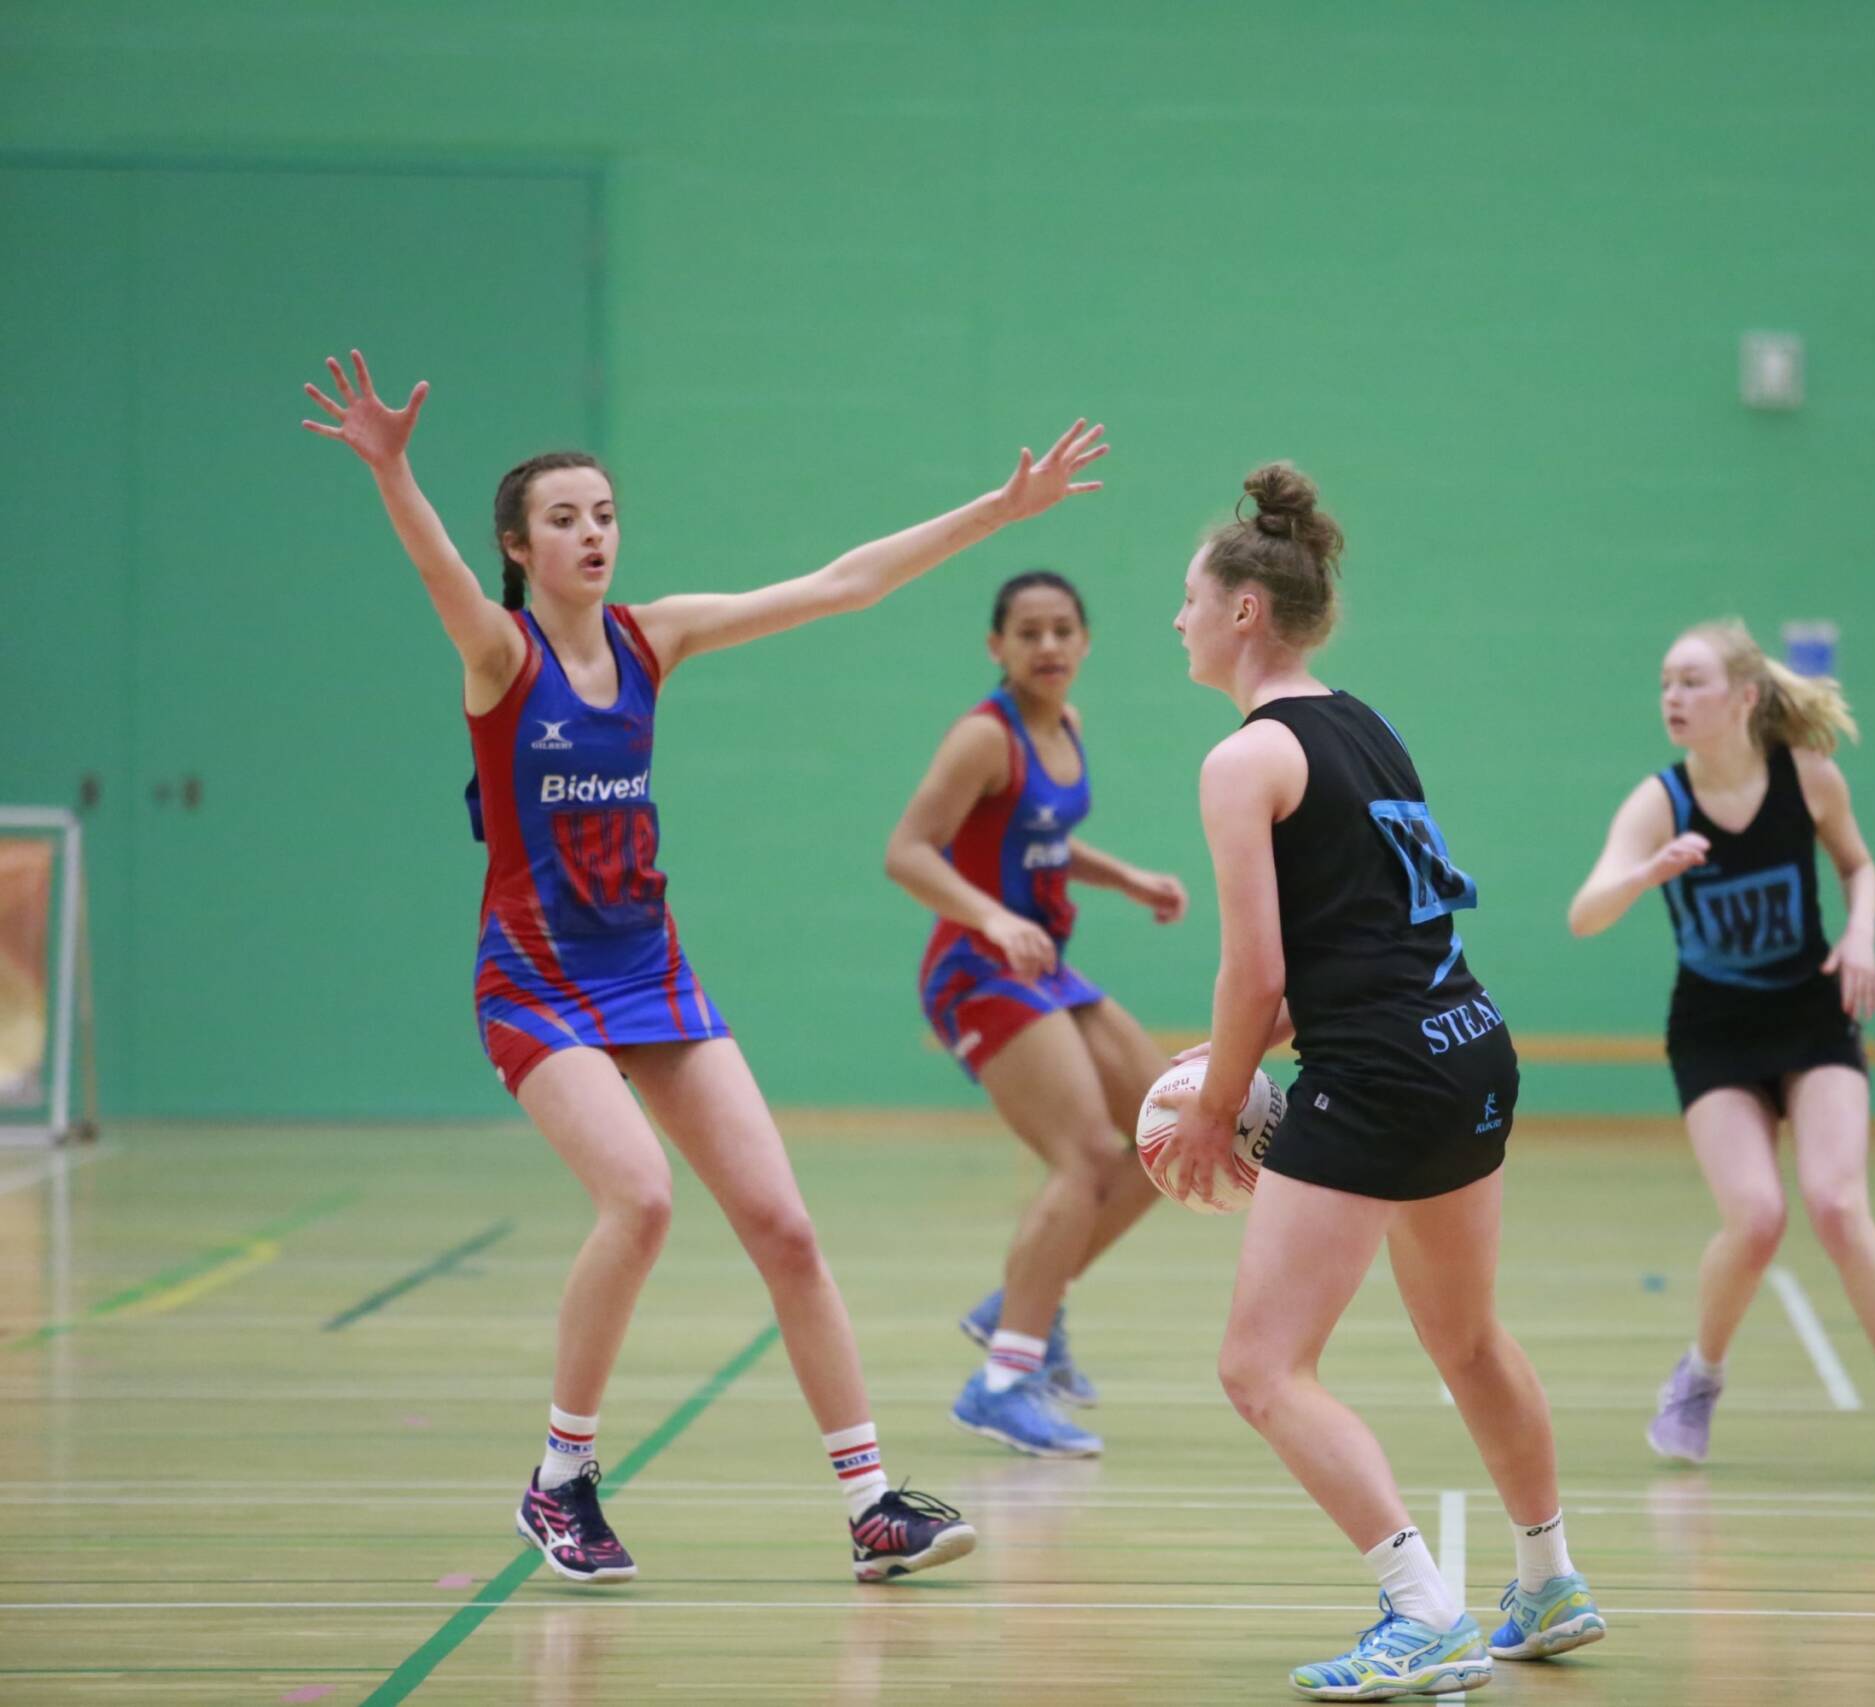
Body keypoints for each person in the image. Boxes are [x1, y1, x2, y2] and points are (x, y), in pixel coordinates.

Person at [300, 347, 1107, 1580]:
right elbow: (433, 567)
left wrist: (1001, 510)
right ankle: (561, 1479)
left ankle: (875, 1504)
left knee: (784, 1226)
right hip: (535, 981)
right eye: (562, 519)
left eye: (605, 514)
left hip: (650, 969)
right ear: (518, 546)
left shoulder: (654, 638)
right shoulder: (499, 658)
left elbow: (843, 584)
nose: (592, 534)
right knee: (641, 1198)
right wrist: (394, 472)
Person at [1159, 464, 1606, 1701]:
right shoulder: (1363, 720)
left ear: (1246, 608)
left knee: (1260, 1369)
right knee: (1464, 1337)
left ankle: (1422, 1611)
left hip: (1378, 1071)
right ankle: (1549, 1581)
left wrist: (1213, 1106)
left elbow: (1253, 973)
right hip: (1468, 1041)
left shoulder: (1242, 760)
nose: (1179, 620)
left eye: (1190, 599)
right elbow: (1359, 928)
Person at [1565, 619, 1875, 1483]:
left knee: (1834, 1203)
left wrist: (1861, 934)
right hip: (1713, 1028)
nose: (1673, 696)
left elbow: (1860, 867)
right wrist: (1644, 876)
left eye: (1693, 680)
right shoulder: (1660, 801)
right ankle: (1697, 1381)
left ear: (1744, 697)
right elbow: (1584, 912)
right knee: (1755, 1217)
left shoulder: (1809, 778)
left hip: (1812, 1015)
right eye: (1666, 681)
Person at [882, 569, 1186, 1457]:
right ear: (997, 647)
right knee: (1089, 1151)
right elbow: (906, 851)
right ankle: (1003, 1381)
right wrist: (994, 914)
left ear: (1084, 642)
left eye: (1062, 630)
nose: (1048, 645)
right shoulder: (985, 737)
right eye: (1028, 632)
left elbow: (1040, 840)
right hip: (977, 965)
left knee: (1171, 1126)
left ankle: (1021, 1305)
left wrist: (1124, 877)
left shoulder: (1069, 725)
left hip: (1044, 964)